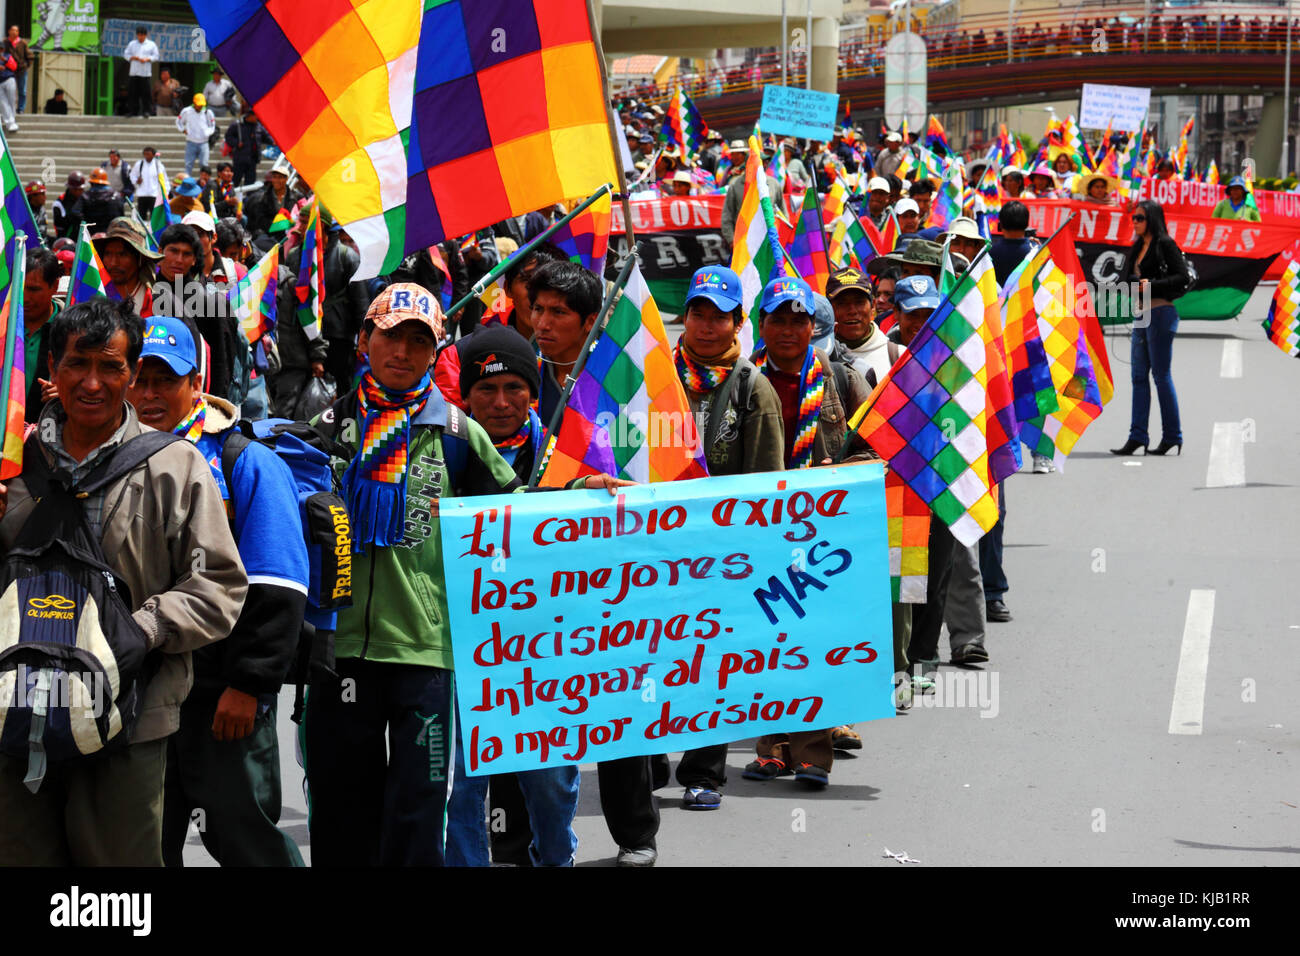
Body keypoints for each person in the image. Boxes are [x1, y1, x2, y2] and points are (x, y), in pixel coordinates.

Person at [300, 283, 621, 867]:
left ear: (434, 349)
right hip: (336, 648)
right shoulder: (325, 428)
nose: (402, 353)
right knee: (344, 804)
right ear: (366, 338)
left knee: (420, 807)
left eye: (418, 342)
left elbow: (514, 512)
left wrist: (578, 494)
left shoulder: (455, 432)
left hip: (427, 651)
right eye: (391, 336)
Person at [0, 296, 247, 865]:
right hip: (16, 710)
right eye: (76, 366)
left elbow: (221, 586)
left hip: (130, 719)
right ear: (52, 372)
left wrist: (139, 631)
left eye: (110, 368)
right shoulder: (15, 459)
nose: (92, 383)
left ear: (130, 376)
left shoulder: (174, 466)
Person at [121, 319, 306, 868]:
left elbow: (280, 582)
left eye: (165, 380)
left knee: (242, 832)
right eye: (139, 379)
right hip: (144, 691)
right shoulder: (116, 457)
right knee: (147, 838)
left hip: (223, 691)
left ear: (196, 382)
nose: (149, 395)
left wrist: (248, 685)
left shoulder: (243, 459)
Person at [744, 276, 874, 788]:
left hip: (822, 535)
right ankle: (770, 747)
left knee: (813, 640)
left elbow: (875, 448)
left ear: (813, 325)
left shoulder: (842, 378)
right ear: (761, 324)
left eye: (799, 319)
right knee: (760, 640)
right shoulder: (742, 380)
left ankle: (814, 755)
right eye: (778, 318)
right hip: (755, 532)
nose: (788, 329)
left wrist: (834, 474)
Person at [671, 265, 785, 810]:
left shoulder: (751, 387)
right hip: (652, 549)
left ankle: (702, 773)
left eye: (720, 316)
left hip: (723, 553)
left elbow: (767, 480)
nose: (707, 325)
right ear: (685, 316)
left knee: (709, 664)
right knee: (642, 656)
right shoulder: (654, 372)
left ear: (739, 322)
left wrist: (755, 555)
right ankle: (642, 760)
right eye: (698, 313)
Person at [1111, 200, 1188, 457]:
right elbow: (1127, 279)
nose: (1135, 222)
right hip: (1141, 315)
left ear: (1152, 219)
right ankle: (1137, 436)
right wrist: (1135, 283)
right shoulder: (1137, 247)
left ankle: (1172, 436)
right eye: (1134, 218)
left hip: (1162, 313)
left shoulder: (1164, 243)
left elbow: (1182, 277)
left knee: (1161, 376)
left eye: (1140, 218)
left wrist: (1150, 284)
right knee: (1138, 377)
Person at [21, 248, 61, 422]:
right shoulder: (4, 323)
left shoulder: (71, 331)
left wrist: (66, 393)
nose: (25, 297)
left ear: (54, 287)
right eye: (20, 288)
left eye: (33, 289)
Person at [94, 216, 161, 317]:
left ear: (140, 259)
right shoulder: (92, 294)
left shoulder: (158, 301)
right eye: (108, 254)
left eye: (122, 255)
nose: (113, 263)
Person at [720, 142, 779, 251]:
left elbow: (782, 211)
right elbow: (727, 216)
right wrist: (732, 240)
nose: (764, 165)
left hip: (769, 242)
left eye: (765, 162)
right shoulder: (735, 186)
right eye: (760, 162)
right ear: (749, 164)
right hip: (744, 243)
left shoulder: (774, 184)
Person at [177, 93, 217, 175]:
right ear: (194, 103)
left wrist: (207, 132)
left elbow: (212, 126)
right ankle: (187, 181)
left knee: (204, 165)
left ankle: (204, 182)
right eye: (198, 105)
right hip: (191, 142)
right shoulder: (186, 111)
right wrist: (183, 130)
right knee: (188, 164)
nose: (200, 106)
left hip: (204, 143)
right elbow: (178, 122)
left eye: (201, 105)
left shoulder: (208, 112)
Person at [225, 108, 266, 188]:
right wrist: (236, 143)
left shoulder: (258, 126)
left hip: (252, 160)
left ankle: (249, 199)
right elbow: (228, 137)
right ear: (250, 116)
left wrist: (274, 142)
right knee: (235, 180)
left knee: (250, 183)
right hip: (240, 159)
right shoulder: (238, 125)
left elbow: (266, 137)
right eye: (255, 116)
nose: (257, 118)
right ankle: (230, 196)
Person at [123, 25, 159, 117]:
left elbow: (156, 56)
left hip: (145, 73)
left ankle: (146, 111)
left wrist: (147, 59)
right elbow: (126, 54)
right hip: (134, 72)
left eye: (142, 35)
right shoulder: (132, 44)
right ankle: (132, 111)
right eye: (139, 35)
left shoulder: (151, 44)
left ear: (145, 35)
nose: (140, 37)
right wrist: (132, 57)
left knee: (146, 94)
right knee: (133, 93)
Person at [78, 168, 125, 235]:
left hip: (90, 236)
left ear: (92, 183)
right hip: (110, 235)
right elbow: (121, 217)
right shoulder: (116, 196)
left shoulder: (85, 196)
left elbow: (76, 213)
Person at [130, 146, 167, 217]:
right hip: (142, 194)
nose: (146, 156)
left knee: (154, 216)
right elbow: (132, 175)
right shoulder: (139, 164)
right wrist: (136, 181)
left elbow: (164, 179)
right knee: (142, 215)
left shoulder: (158, 165)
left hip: (154, 194)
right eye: (145, 154)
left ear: (153, 155)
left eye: (148, 154)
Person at [51, 170, 84, 239]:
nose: (79, 192)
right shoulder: (59, 203)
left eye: (81, 189)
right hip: (67, 240)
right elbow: (59, 228)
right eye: (75, 189)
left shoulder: (85, 200)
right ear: (70, 188)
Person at [8, 26, 30, 114]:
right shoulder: (5, 42)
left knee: (22, 91)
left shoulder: (23, 43)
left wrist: (26, 65)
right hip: (9, 71)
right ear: (9, 31)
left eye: (16, 30)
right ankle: (9, 108)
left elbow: (30, 56)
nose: (14, 32)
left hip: (21, 70)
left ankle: (21, 108)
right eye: (12, 30)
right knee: (9, 90)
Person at [0, 36, 19, 132]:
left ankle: (13, 122)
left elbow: (14, 66)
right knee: (3, 103)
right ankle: (9, 123)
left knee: (11, 101)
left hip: (9, 79)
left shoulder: (7, 55)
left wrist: (4, 60)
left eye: (1, 48)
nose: (1, 50)